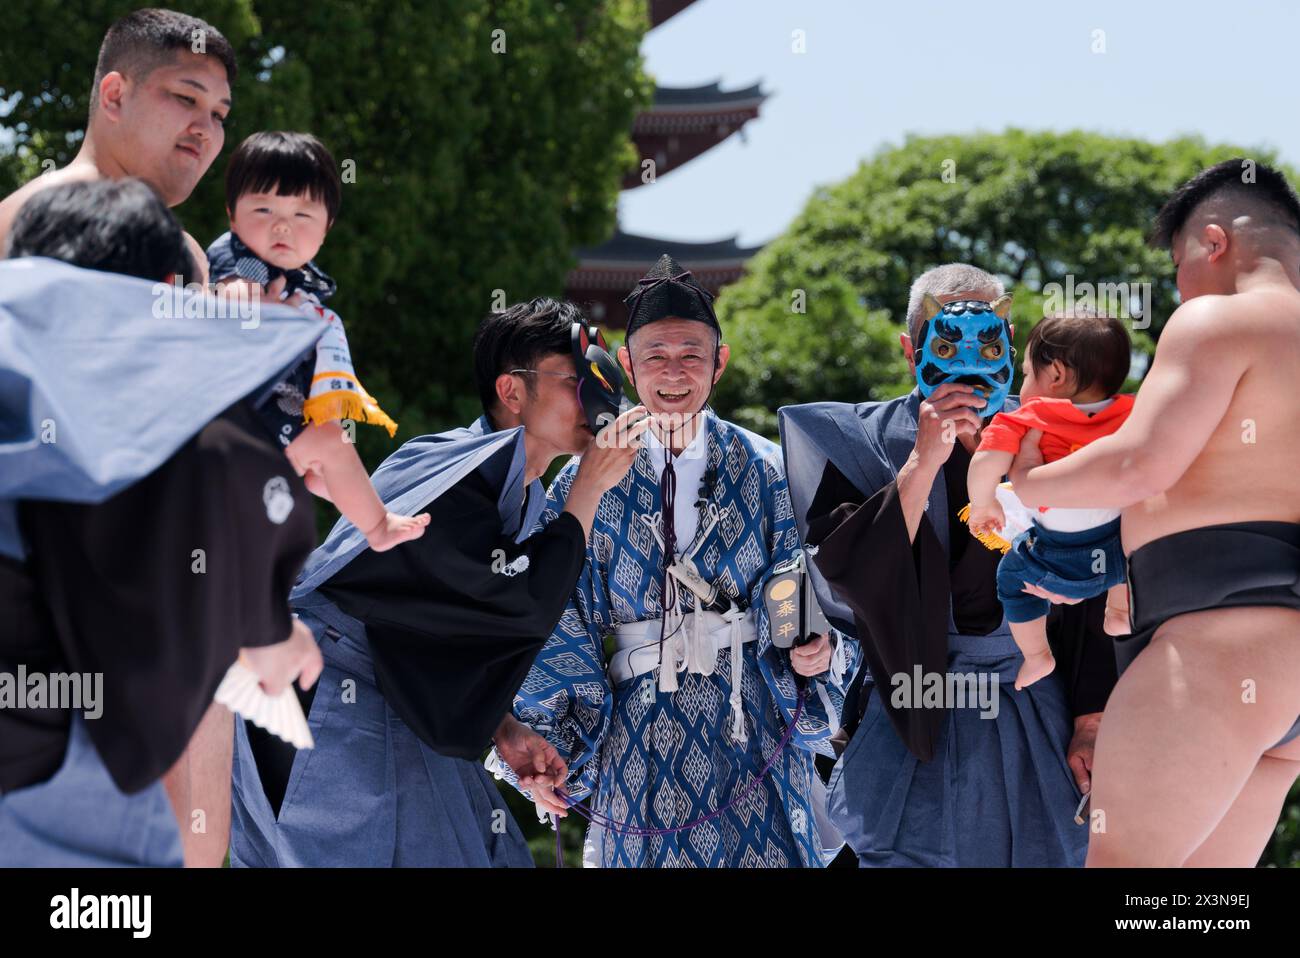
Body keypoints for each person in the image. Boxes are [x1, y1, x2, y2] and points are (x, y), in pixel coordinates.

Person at [229, 298, 648, 866]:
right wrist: (588, 493)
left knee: (489, 851)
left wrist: (502, 727)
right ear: (512, 392)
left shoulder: (521, 501)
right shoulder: (448, 466)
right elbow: (515, 603)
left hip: (385, 701)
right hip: (322, 693)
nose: (592, 400)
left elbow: (437, 626)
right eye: (575, 380)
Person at [0, 178, 325, 866]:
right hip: (59, 815)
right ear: (171, 290)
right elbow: (240, 490)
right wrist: (272, 628)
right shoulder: (180, 425)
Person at [493, 255, 856, 868]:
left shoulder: (770, 468)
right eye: (655, 355)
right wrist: (552, 743)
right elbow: (557, 616)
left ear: (720, 361)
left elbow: (810, 589)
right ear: (627, 365)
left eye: (692, 354)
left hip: (753, 719)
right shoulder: (583, 479)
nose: (674, 372)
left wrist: (819, 649)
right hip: (637, 734)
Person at [1011, 159, 1300, 867]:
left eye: (1177, 267)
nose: (1180, 288)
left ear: (1213, 241)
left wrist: (1019, 483)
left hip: (1215, 642)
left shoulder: (1222, 318)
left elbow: (1139, 465)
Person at [781, 263, 1113, 867]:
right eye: (945, 342)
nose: (970, 362)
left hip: (1032, 698)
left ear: (1008, 345)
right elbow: (845, 577)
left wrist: (1091, 717)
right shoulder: (855, 439)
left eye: (988, 342)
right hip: (912, 703)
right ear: (912, 350)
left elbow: (1098, 584)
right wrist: (922, 464)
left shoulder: (1055, 436)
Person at [207, 131, 428, 553]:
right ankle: (377, 525)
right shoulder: (239, 265)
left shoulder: (299, 285)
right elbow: (232, 307)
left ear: (326, 228)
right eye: (264, 208)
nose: (282, 225)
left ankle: (349, 498)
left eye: (302, 215)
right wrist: (271, 316)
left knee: (328, 451)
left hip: (276, 428)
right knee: (330, 440)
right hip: (239, 428)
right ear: (232, 216)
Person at [965, 310, 1135, 689]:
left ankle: (1038, 656)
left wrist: (983, 504)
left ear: (1056, 374)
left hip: (1055, 557)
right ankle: (1119, 610)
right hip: (1116, 554)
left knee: (1009, 577)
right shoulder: (1132, 413)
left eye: (1026, 373)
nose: (1022, 385)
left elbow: (984, 464)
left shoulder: (1028, 417)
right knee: (1132, 539)